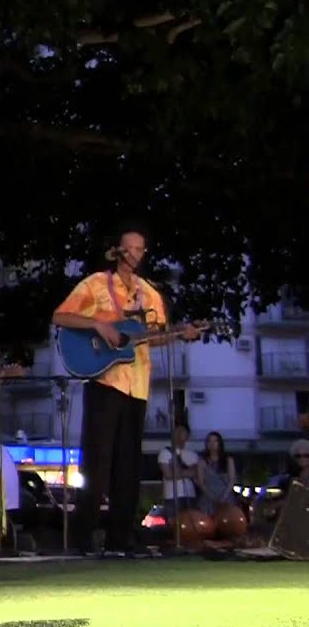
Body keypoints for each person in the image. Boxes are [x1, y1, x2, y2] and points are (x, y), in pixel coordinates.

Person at [52, 223, 199, 555]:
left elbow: (153, 337)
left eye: (140, 249)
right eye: (130, 248)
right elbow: (60, 317)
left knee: (129, 464)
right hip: (105, 380)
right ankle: (82, 537)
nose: (135, 254)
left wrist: (180, 333)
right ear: (117, 251)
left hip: (137, 386)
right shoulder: (95, 284)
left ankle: (121, 538)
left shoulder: (150, 294)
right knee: (97, 461)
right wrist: (96, 324)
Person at [158, 422, 199, 516]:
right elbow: (168, 474)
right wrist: (189, 472)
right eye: (177, 431)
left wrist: (178, 472)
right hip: (172, 496)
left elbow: (197, 474)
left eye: (183, 431)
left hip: (190, 495)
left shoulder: (193, 455)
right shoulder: (165, 453)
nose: (180, 434)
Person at [196, 430, 236, 515]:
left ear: (220, 443)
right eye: (209, 441)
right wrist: (211, 496)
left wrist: (224, 496)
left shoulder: (228, 460)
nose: (212, 443)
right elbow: (201, 482)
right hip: (208, 498)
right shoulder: (202, 461)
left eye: (215, 441)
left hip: (226, 497)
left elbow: (232, 480)